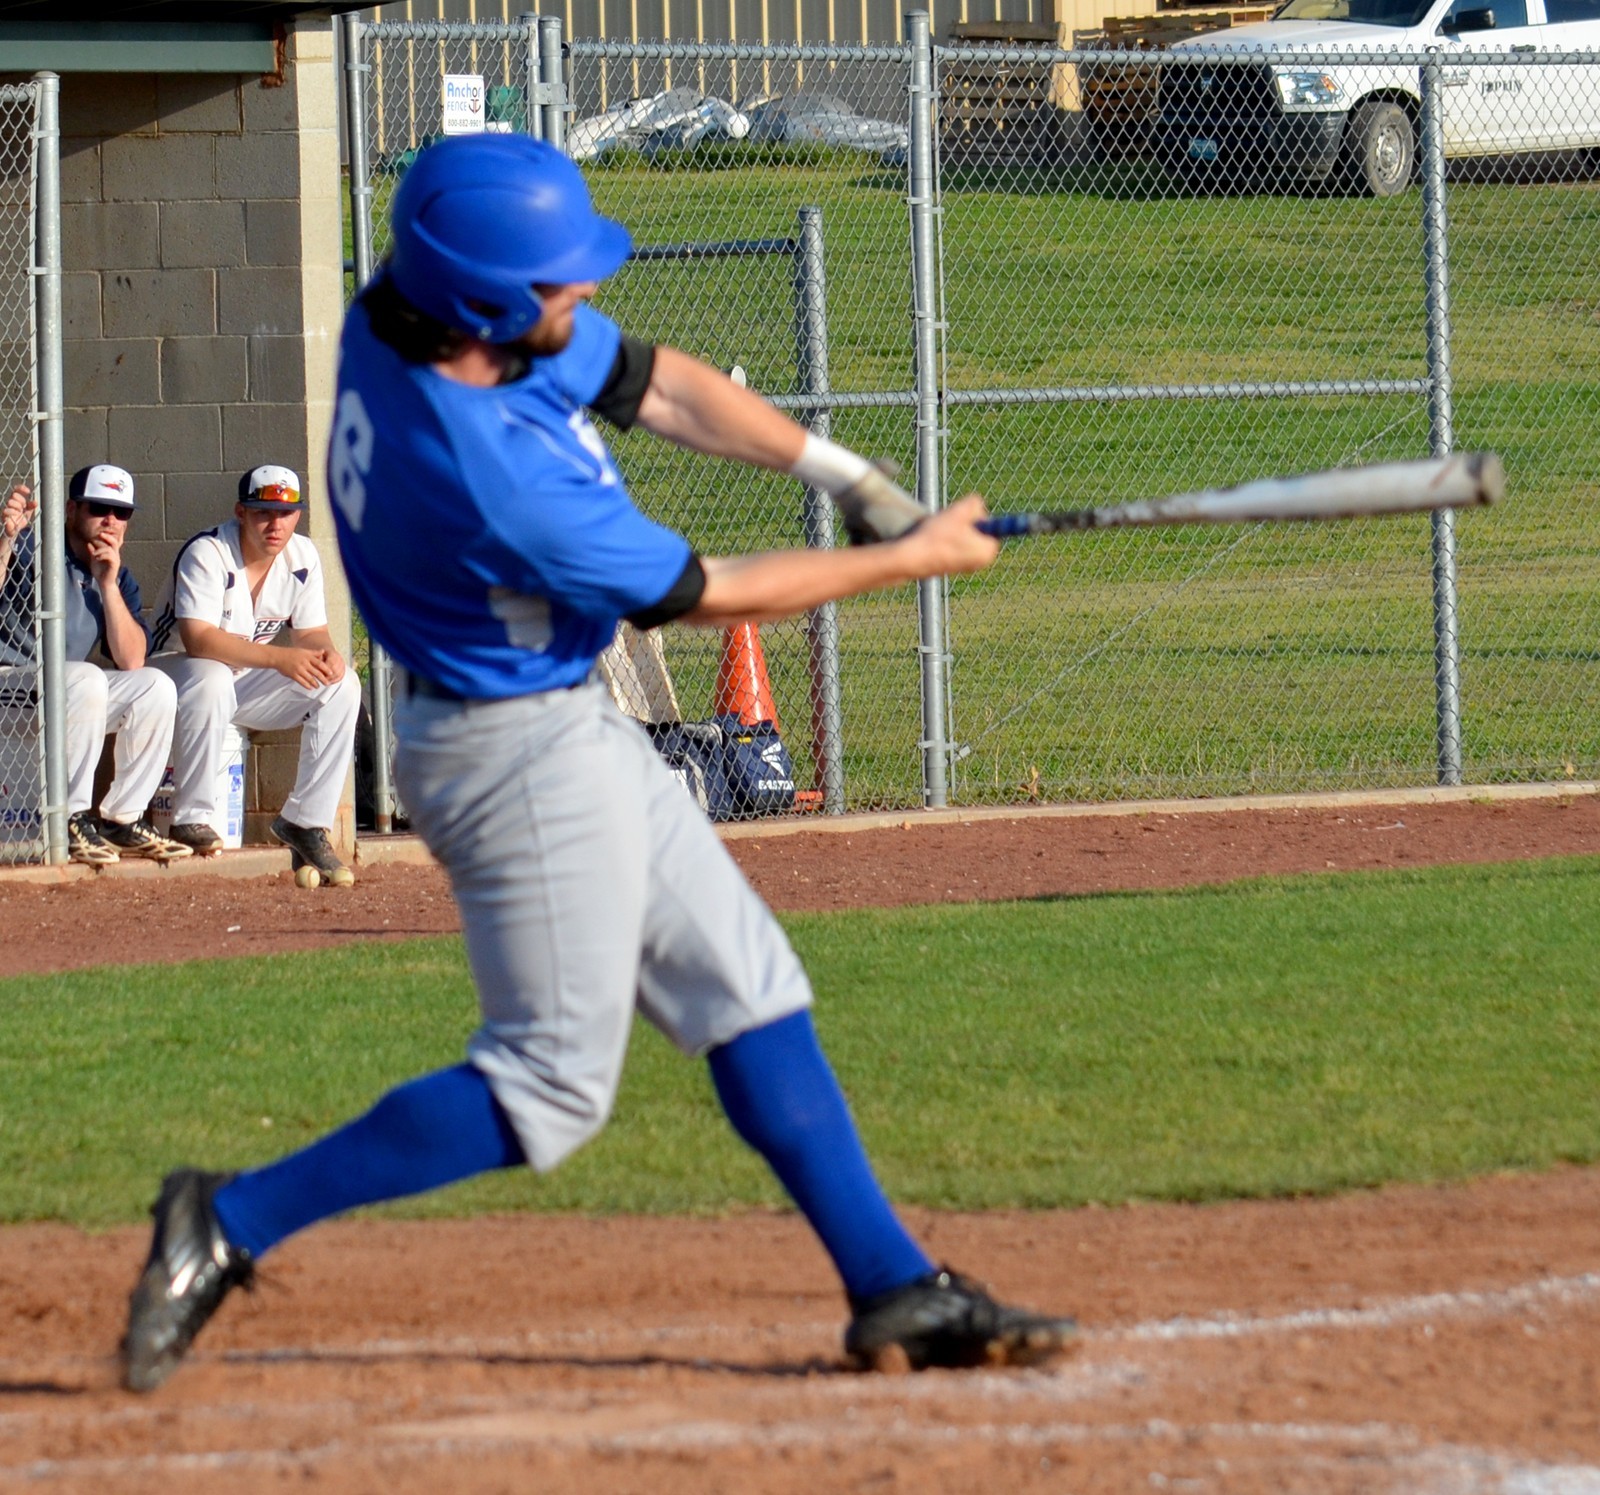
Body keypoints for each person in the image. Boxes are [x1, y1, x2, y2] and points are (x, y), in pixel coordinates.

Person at [120, 134, 1075, 1392]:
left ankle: (892, 1282)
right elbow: (706, 589)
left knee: (746, 984)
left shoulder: (404, 311)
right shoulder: (488, 470)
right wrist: (910, 559)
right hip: (508, 751)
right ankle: (229, 1218)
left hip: (561, 725)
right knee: (550, 1088)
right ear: (484, 308)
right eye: (552, 287)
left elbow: (658, 383)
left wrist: (851, 477)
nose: (578, 303)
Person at [149, 466, 360, 879]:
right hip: (172, 675)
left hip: (240, 678)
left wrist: (327, 655)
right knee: (211, 677)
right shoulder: (208, 553)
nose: (275, 524)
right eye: (263, 512)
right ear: (241, 512)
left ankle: (304, 821)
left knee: (343, 685)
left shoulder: (302, 555)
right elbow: (199, 641)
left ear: (297, 516)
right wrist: (283, 659)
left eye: (285, 513)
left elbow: (312, 631)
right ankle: (191, 817)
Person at [0, 467, 190, 864]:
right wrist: (6, 539)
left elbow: (132, 659)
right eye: (100, 508)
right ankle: (69, 818)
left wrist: (107, 584)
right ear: (71, 509)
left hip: (63, 694)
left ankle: (123, 819)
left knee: (155, 686)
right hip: (10, 683)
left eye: (121, 513)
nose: (111, 520)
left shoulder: (118, 577)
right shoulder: (31, 547)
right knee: (85, 678)